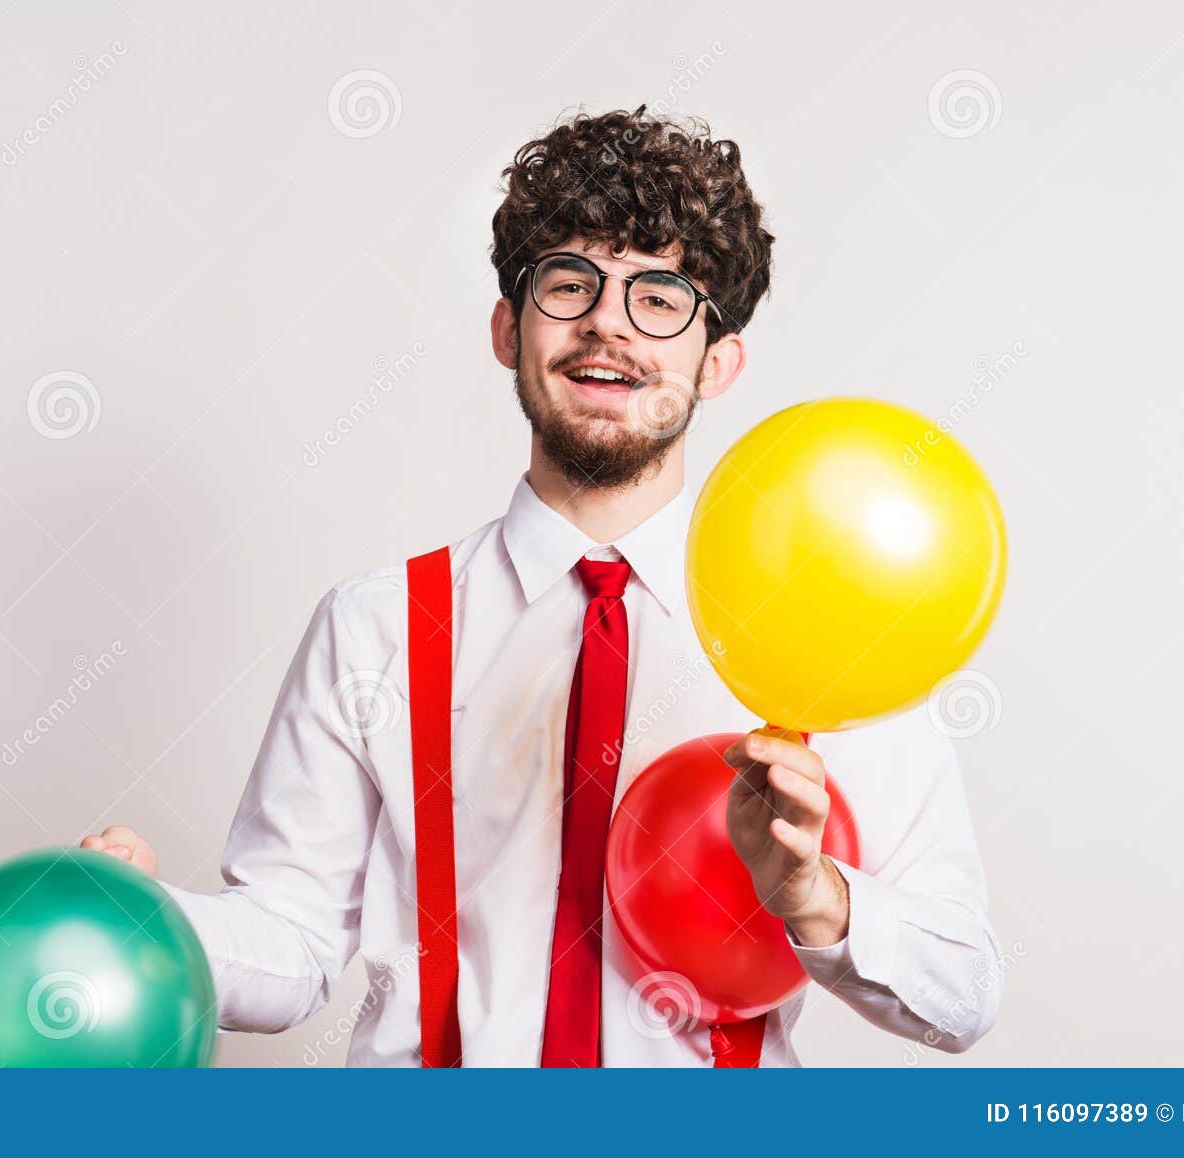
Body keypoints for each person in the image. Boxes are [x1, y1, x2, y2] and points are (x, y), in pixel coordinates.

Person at [82, 106, 1002, 1067]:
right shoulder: (375, 630)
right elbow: (295, 945)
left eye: (659, 297)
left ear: (718, 362)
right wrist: (149, 927)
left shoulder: (831, 625)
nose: (609, 320)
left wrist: (818, 897)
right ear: (507, 327)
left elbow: (964, 994)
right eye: (572, 284)